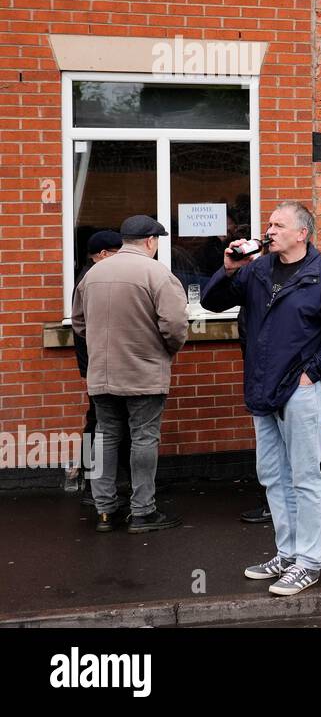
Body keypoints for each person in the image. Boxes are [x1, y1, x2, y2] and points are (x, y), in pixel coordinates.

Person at [202, 202, 321, 596]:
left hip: (299, 390)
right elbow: (211, 302)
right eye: (268, 223)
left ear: (302, 233)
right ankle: (287, 553)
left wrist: (311, 374)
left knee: (305, 477)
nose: (268, 230)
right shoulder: (256, 270)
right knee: (273, 476)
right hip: (261, 386)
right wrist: (229, 268)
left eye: (277, 224)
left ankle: (309, 562)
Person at [71, 216, 188, 534]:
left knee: (105, 438)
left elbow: (79, 323)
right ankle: (142, 512)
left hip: (102, 373)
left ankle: (104, 511)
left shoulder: (93, 274)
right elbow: (176, 326)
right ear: (150, 241)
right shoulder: (159, 274)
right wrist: (166, 349)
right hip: (144, 371)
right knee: (144, 439)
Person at [70, 230, 123, 497]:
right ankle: (92, 484)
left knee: (100, 421)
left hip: (94, 364)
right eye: (118, 253)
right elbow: (83, 330)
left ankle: (92, 480)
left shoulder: (89, 277)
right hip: (97, 364)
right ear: (103, 255)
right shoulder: (91, 280)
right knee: (100, 423)